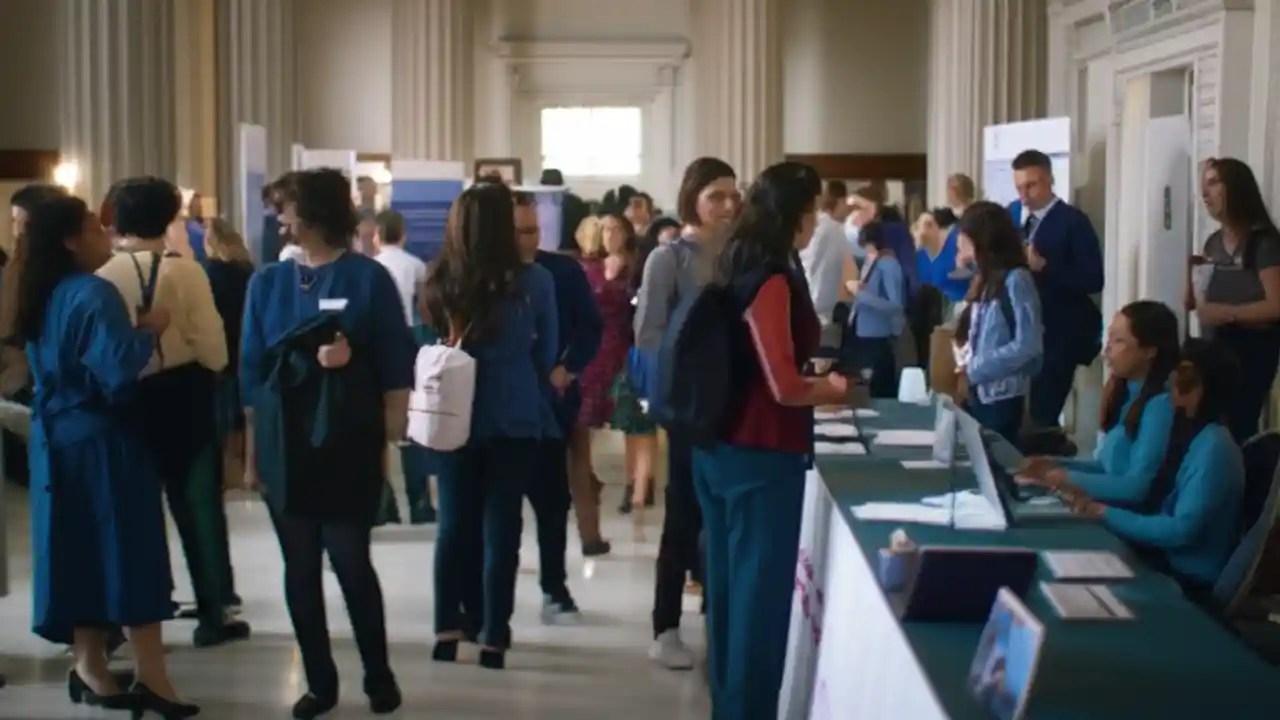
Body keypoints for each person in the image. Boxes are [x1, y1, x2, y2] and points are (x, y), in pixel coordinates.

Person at [241, 169, 412, 718]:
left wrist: (392, 433)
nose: (280, 219)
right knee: (299, 568)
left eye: (286, 208)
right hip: (283, 440)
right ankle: (320, 681)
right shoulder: (267, 283)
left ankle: (378, 673)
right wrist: (250, 458)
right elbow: (250, 375)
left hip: (349, 438)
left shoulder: (368, 279)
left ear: (313, 212)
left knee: (351, 561)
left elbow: (395, 363)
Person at [21, 196, 197, 717]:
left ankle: (90, 665)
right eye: (96, 233)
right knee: (130, 550)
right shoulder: (94, 294)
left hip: (56, 441)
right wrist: (150, 329)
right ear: (72, 239)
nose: (108, 240)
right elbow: (116, 370)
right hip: (103, 440)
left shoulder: (39, 294)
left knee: (76, 551)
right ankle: (154, 678)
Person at [693, 161, 848, 719]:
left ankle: (730, 707)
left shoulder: (735, 259)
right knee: (758, 610)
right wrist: (835, 391)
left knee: (731, 600)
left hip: (720, 444)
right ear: (800, 214)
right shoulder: (772, 275)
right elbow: (783, 384)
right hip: (759, 452)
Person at [97, 177, 247, 649]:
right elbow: (214, 347)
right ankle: (212, 611)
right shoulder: (187, 272)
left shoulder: (104, 276)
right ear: (168, 219)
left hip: (127, 400)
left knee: (133, 510)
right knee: (199, 506)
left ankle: (138, 613)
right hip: (185, 396)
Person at [423, 181, 558, 671]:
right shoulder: (534, 281)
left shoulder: (439, 277)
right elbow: (547, 352)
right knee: (502, 528)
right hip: (514, 413)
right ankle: (494, 635)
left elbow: (426, 342)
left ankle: (446, 626)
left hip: (454, 416)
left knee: (453, 524)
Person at [635, 156, 739, 670]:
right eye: (715, 196)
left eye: (731, 196)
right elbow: (649, 333)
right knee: (682, 515)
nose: (726, 205)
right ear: (693, 199)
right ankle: (666, 624)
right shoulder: (669, 259)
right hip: (688, 405)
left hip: (733, 402)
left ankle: (718, 614)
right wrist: (686, 377)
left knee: (719, 517)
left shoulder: (741, 255)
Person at [1066, 339, 1245, 599]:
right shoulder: (1198, 437)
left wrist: (1102, 512)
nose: (1171, 387)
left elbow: (1180, 531)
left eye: (1181, 380)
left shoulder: (1215, 448)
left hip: (1186, 578)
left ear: (1200, 389)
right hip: (1164, 561)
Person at [514, 191, 603, 622]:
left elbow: (590, 327)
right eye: (517, 232)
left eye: (532, 230)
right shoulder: (482, 275)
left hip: (548, 408)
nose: (526, 240)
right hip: (496, 409)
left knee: (551, 502)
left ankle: (555, 587)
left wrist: (567, 369)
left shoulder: (562, 271)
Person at [1018, 301, 1179, 507]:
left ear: (1149, 351)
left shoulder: (1159, 406)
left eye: (1119, 340)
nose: (1108, 349)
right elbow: (1106, 468)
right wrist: (1053, 464)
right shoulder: (1126, 395)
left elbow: (1137, 488)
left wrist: (1062, 478)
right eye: (1109, 337)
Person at [1007, 149, 1104, 430]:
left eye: (1031, 185)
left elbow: (1093, 279)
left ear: (1050, 179)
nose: (1024, 195)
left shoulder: (1073, 222)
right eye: (1018, 187)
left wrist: (1045, 267)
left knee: (1042, 416)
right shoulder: (1013, 218)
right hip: (1021, 332)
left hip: (1059, 335)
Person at [1187, 157, 1280, 441]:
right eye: (1204, 186)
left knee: (1237, 426)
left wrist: (1227, 313)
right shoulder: (1213, 242)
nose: (1205, 194)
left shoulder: (1264, 243)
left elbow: (1276, 305)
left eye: (1214, 183)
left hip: (1251, 351)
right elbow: (1196, 304)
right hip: (1214, 349)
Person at [955, 201, 1044, 444]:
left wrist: (976, 368)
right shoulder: (985, 278)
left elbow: (1028, 344)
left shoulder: (1016, 279)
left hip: (1002, 397)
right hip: (979, 394)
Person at [373, 209, 436, 524]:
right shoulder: (415, 265)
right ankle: (420, 501)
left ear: (376, 235)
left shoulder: (371, 266)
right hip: (408, 342)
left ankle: (384, 504)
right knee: (411, 426)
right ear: (403, 233)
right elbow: (424, 309)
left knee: (378, 428)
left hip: (375, 345)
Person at [203, 218, 254, 538]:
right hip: (245, 345)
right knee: (244, 411)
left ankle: (227, 472)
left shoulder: (210, 273)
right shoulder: (248, 270)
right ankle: (247, 470)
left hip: (221, 348)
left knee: (221, 413)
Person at [845, 221, 905, 397]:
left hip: (878, 337)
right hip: (863, 332)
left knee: (879, 389)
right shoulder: (871, 262)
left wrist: (860, 295)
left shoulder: (888, 264)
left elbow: (895, 305)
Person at [799, 180, 854, 350]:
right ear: (840, 201)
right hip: (820, 307)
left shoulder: (823, 226)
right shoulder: (833, 229)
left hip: (812, 302)